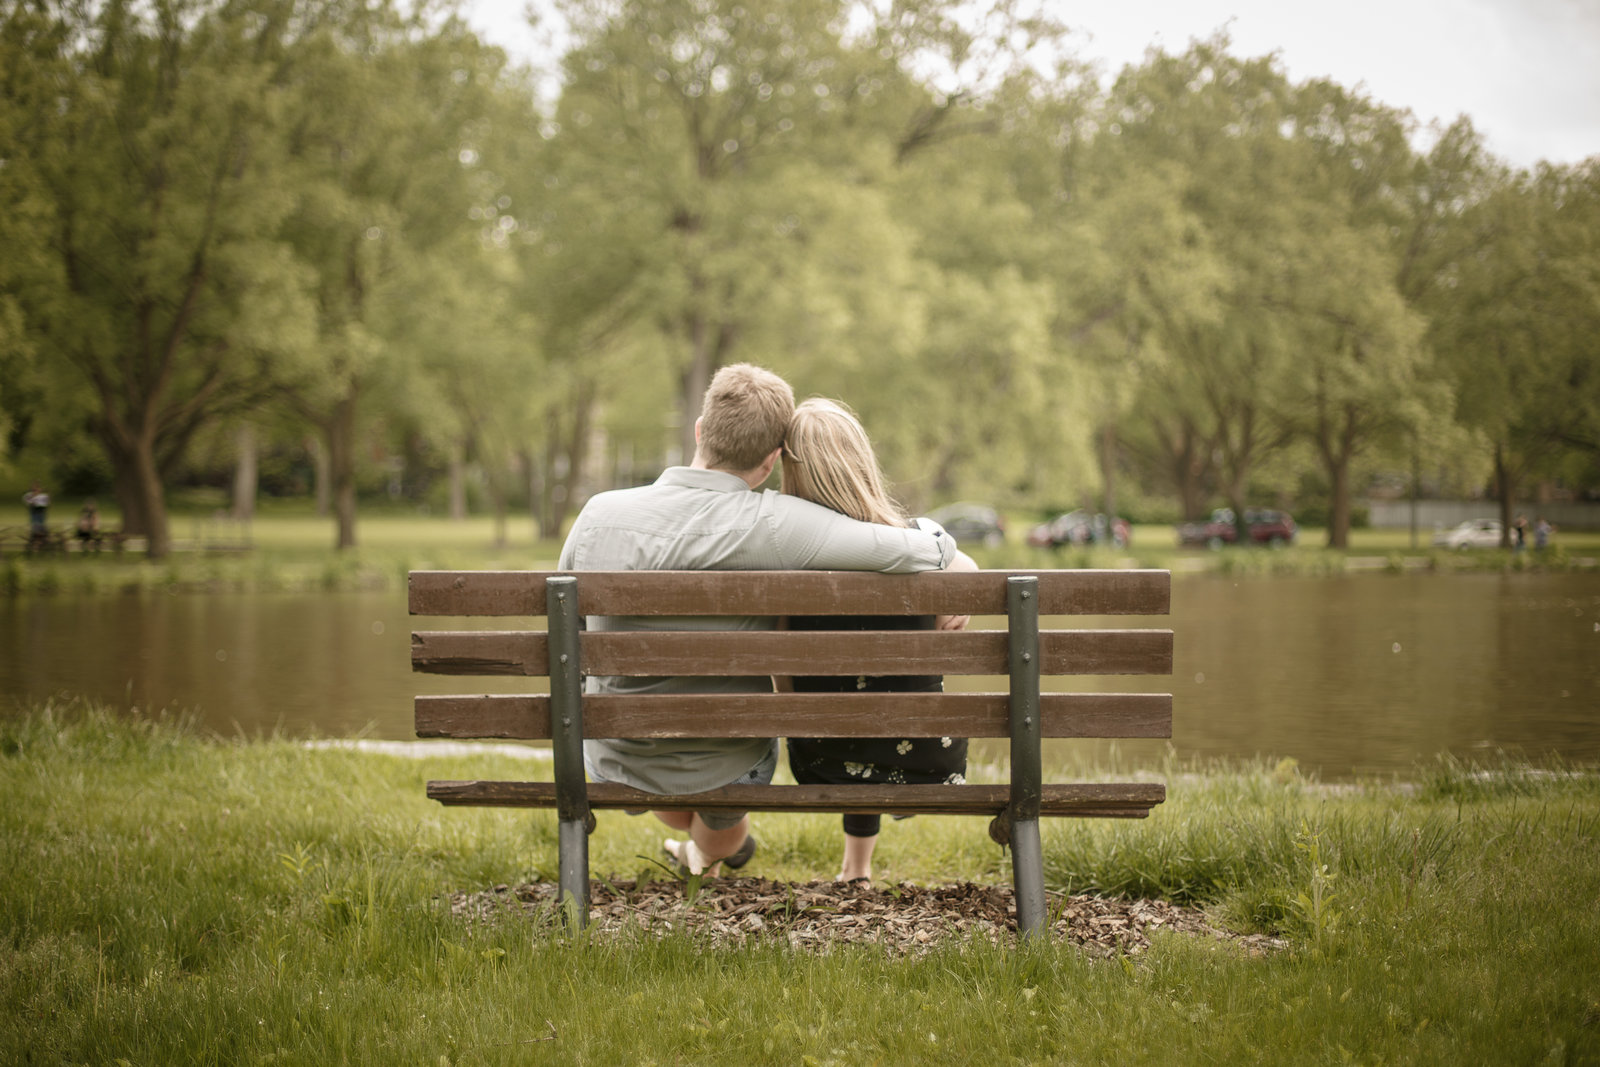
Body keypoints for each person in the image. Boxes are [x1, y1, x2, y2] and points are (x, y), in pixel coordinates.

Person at [556, 365, 959, 878]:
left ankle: (699, 847)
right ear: (771, 461)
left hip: (615, 756)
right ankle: (713, 847)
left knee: (674, 787)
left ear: (700, 430)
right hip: (729, 765)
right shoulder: (777, 522)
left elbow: (564, 631)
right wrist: (953, 553)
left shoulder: (598, 514)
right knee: (723, 820)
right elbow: (920, 549)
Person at [779, 398, 979, 886]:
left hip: (822, 760)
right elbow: (961, 574)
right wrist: (966, 574)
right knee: (878, 695)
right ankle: (857, 868)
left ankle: (856, 867)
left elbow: (785, 685)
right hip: (927, 756)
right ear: (862, 463)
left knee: (847, 703)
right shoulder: (915, 546)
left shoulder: (786, 558)